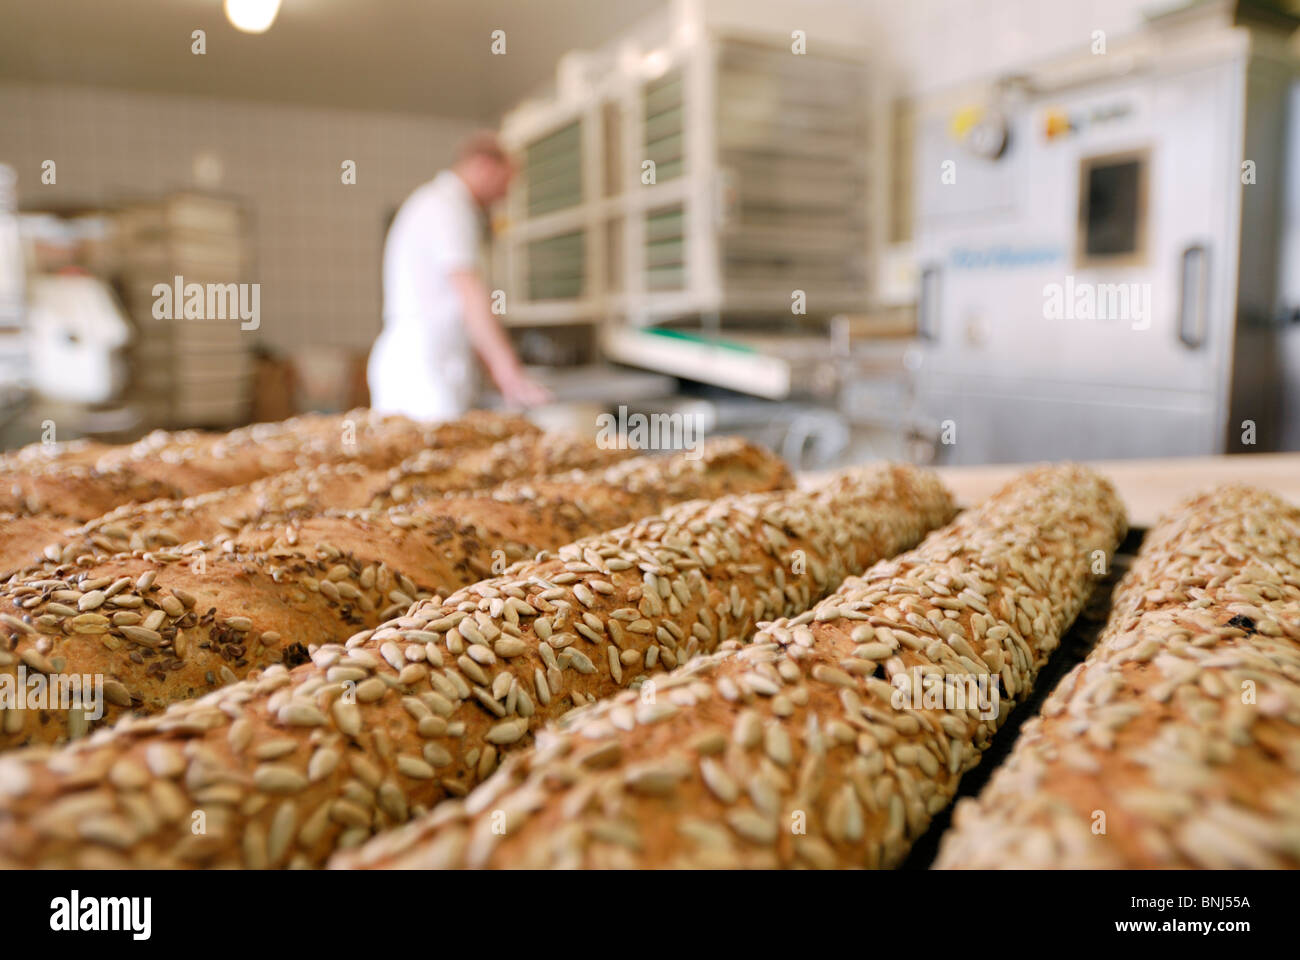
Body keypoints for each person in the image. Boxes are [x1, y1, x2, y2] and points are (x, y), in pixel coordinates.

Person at [368, 132, 551, 420]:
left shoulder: (437, 204)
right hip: (424, 369)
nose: (505, 195)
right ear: (484, 165)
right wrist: (511, 376)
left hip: (423, 361)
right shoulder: (447, 208)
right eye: (506, 182)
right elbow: (470, 294)